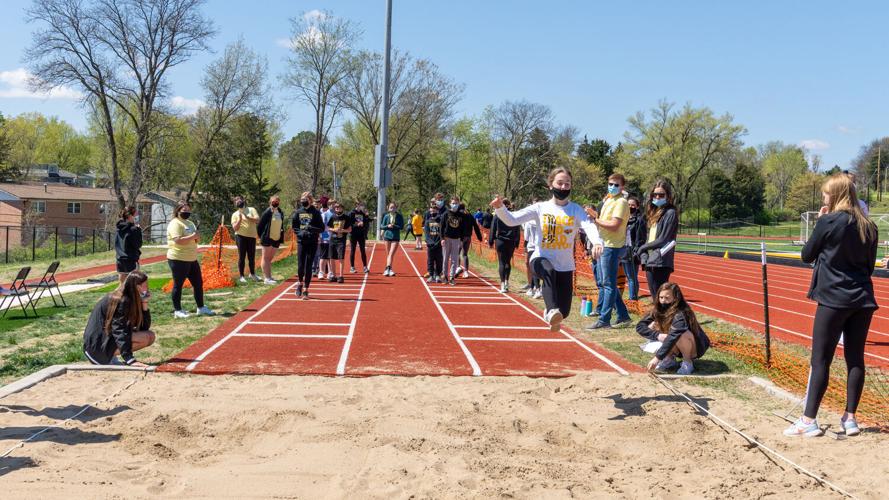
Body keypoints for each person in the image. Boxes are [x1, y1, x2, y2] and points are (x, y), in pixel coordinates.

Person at [783, 173, 878, 438]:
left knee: (820, 359)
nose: (823, 197)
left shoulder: (829, 221)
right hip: (863, 299)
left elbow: (806, 255)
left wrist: (820, 223)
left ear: (834, 195)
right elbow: (870, 266)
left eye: (825, 193)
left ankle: (808, 419)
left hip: (834, 299)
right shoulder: (868, 225)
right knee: (855, 359)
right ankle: (850, 418)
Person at [491, 167, 604, 332]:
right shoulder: (540, 208)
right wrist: (500, 208)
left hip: (565, 265)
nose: (564, 187)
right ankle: (551, 310)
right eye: (560, 183)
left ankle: (550, 312)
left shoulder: (575, 209)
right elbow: (512, 219)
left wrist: (597, 242)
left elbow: (589, 226)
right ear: (551, 185)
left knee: (564, 312)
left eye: (567, 184)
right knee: (548, 271)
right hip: (540, 258)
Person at [83, 270, 154, 367]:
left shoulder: (129, 299)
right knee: (146, 337)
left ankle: (111, 356)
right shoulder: (121, 300)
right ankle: (108, 357)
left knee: (150, 336)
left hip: (104, 340)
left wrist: (144, 303)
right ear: (137, 287)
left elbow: (143, 327)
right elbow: (119, 329)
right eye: (145, 285)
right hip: (96, 348)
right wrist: (130, 360)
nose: (148, 288)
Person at [588, 173, 632, 329]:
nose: (612, 187)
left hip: (612, 246)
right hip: (603, 244)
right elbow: (603, 222)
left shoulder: (621, 202)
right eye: (610, 184)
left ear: (622, 187)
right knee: (608, 283)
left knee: (608, 284)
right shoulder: (608, 200)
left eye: (616, 185)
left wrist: (595, 219)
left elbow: (614, 225)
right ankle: (623, 315)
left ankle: (604, 319)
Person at [636, 282, 710, 375]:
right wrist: (657, 335)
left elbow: (674, 335)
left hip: (695, 347)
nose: (663, 301)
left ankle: (688, 362)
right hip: (675, 345)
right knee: (655, 325)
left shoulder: (681, 312)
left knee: (681, 334)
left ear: (675, 298)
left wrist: (657, 358)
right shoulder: (658, 309)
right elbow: (640, 326)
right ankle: (669, 359)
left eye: (667, 298)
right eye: (661, 297)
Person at [166, 201, 214, 318]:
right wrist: (193, 236)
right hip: (178, 259)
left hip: (192, 259)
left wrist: (196, 237)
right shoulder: (175, 223)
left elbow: (193, 239)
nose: (187, 212)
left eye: (188, 210)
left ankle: (201, 308)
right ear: (178, 211)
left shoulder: (190, 223)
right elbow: (178, 240)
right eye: (184, 210)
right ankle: (177, 310)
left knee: (198, 283)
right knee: (178, 284)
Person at [635, 179, 678, 301]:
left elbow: (663, 239)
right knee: (655, 296)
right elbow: (646, 236)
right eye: (655, 194)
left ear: (668, 196)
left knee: (662, 297)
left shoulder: (671, 213)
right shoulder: (653, 212)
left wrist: (643, 248)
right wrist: (643, 254)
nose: (657, 197)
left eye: (661, 195)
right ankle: (660, 319)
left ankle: (667, 318)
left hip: (661, 260)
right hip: (650, 259)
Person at [292, 192, 325, 299]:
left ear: (310, 200)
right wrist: (301, 233)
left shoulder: (315, 212)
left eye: (305, 198)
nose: (303, 200)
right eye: (302, 199)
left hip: (312, 242)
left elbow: (322, 228)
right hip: (301, 241)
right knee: (301, 265)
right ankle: (300, 283)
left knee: (308, 266)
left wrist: (312, 229)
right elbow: (295, 227)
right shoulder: (298, 212)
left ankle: (306, 288)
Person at [488, 199, 521, 293]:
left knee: (502, 262)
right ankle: (506, 282)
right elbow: (517, 229)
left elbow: (492, 229)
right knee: (507, 262)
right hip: (511, 241)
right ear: (509, 205)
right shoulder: (513, 215)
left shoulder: (497, 215)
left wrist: (490, 241)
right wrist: (517, 242)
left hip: (500, 241)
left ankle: (503, 284)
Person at [256, 195, 286, 285]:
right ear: (270, 202)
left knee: (270, 258)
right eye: (273, 201)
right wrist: (261, 236)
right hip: (267, 237)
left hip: (276, 238)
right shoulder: (268, 211)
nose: (275, 202)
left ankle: (269, 276)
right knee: (265, 258)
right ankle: (266, 278)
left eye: (277, 201)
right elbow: (260, 225)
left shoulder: (280, 212)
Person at [231, 195, 260, 283]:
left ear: (243, 200)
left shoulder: (251, 209)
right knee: (242, 256)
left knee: (251, 256)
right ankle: (241, 276)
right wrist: (240, 220)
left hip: (251, 236)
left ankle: (252, 274)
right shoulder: (235, 214)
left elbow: (257, 220)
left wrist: (247, 217)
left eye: (239, 200)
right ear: (235, 204)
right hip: (240, 237)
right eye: (236, 201)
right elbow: (235, 228)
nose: (238, 201)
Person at [623, 196, 646, 301]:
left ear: (637, 206)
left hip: (633, 251)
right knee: (628, 276)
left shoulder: (640, 220)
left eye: (632, 205)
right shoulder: (624, 218)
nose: (630, 207)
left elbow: (641, 238)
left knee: (632, 276)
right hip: (623, 249)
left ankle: (632, 298)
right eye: (628, 205)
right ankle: (634, 296)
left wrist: (636, 251)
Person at [440, 196, 466, 285]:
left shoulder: (461, 215)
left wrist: (461, 240)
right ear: (450, 204)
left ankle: (452, 277)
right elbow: (441, 227)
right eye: (453, 203)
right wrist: (442, 238)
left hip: (456, 239)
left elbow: (463, 229)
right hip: (447, 238)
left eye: (456, 203)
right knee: (445, 258)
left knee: (454, 259)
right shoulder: (446, 214)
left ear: (459, 204)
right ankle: (445, 276)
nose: (454, 205)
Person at [115, 205, 142, 284]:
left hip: (120, 258)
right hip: (130, 259)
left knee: (122, 284)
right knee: (133, 284)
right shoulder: (133, 229)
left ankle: (122, 295)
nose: (136, 217)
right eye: (135, 215)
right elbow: (138, 244)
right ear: (130, 216)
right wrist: (138, 231)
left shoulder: (118, 228)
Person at [326, 201, 352, 283]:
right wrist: (334, 229)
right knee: (332, 258)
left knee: (341, 258)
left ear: (342, 208)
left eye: (339, 207)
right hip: (333, 240)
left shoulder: (346, 217)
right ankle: (333, 275)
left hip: (341, 240)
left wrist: (342, 230)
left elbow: (350, 229)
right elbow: (328, 228)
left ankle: (341, 276)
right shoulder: (333, 217)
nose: (337, 208)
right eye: (336, 207)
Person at [522, 197, 542, 299]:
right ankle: (536, 288)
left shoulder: (529, 221)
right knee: (541, 269)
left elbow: (526, 236)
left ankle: (536, 289)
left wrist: (524, 247)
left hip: (532, 247)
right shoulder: (544, 219)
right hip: (542, 247)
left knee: (534, 269)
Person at [456, 203, 483, 278]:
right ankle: (466, 272)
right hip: (468, 237)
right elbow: (475, 226)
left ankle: (458, 268)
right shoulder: (470, 215)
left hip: (461, 237)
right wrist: (479, 237)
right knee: (465, 254)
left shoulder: (458, 215)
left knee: (457, 253)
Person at [381, 202, 404, 276]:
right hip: (387, 236)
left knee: (391, 254)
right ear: (388, 208)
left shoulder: (399, 216)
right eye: (391, 207)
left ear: (396, 208)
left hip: (395, 237)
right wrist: (388, 226)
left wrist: (394, 226)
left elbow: (401, 226)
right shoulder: (386, 216)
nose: (392, 209)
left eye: (394, 207)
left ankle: (388, 269)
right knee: (389, 254)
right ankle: (389, 269)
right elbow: (382, 226)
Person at [349, 201, 371, 274]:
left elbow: (366, 222)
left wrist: (367, 217)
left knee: (362, 250)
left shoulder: (363, 213)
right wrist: (357, 224)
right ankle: (352, 267)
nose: (361, 206)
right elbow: (349, 223)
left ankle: (365, 267)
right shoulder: (351, 213)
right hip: (353, 234)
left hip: (361, 234)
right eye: (360, 205)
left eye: (362, 205)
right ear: (356, 205)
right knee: (353, 250)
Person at [424, 204, 443, 283]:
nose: (432, 212)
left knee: (439, 260)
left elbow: (442, 233)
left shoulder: (440, 221)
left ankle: (438, 275)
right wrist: (430, 242)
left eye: (434, 210)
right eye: (431, 211)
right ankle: (431, 275)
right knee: (430, 260)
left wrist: (438, 242)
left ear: (437, 211)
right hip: (430, 245)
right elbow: (427, 234)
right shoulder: (427, 222)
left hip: (438, 244)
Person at [318, 197, 333, 280]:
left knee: (329, 256)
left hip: (330, 237)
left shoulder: (332, 214)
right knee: (323, 256)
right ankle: (321, 272)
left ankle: (330, 272)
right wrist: (319, 236)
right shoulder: (321, 214)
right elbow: (319, 227)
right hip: (323, 237)